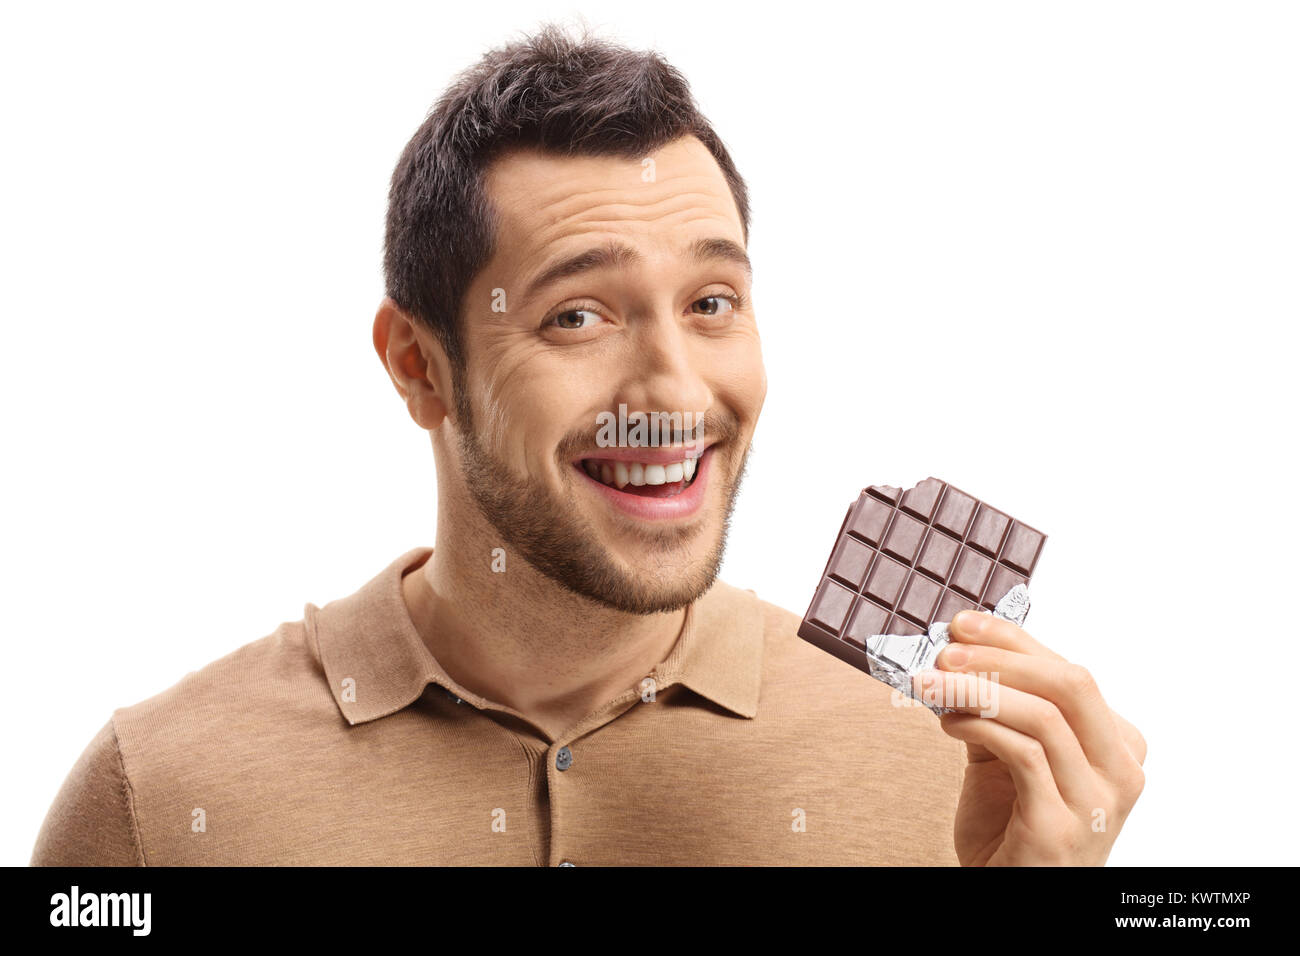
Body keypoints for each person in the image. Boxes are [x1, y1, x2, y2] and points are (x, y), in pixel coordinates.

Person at [31, 22, 1145, 866]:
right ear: (419, 366)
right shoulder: (157, 795)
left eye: (712, 302)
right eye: (577, 315)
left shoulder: (947, 767)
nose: (676, 387)